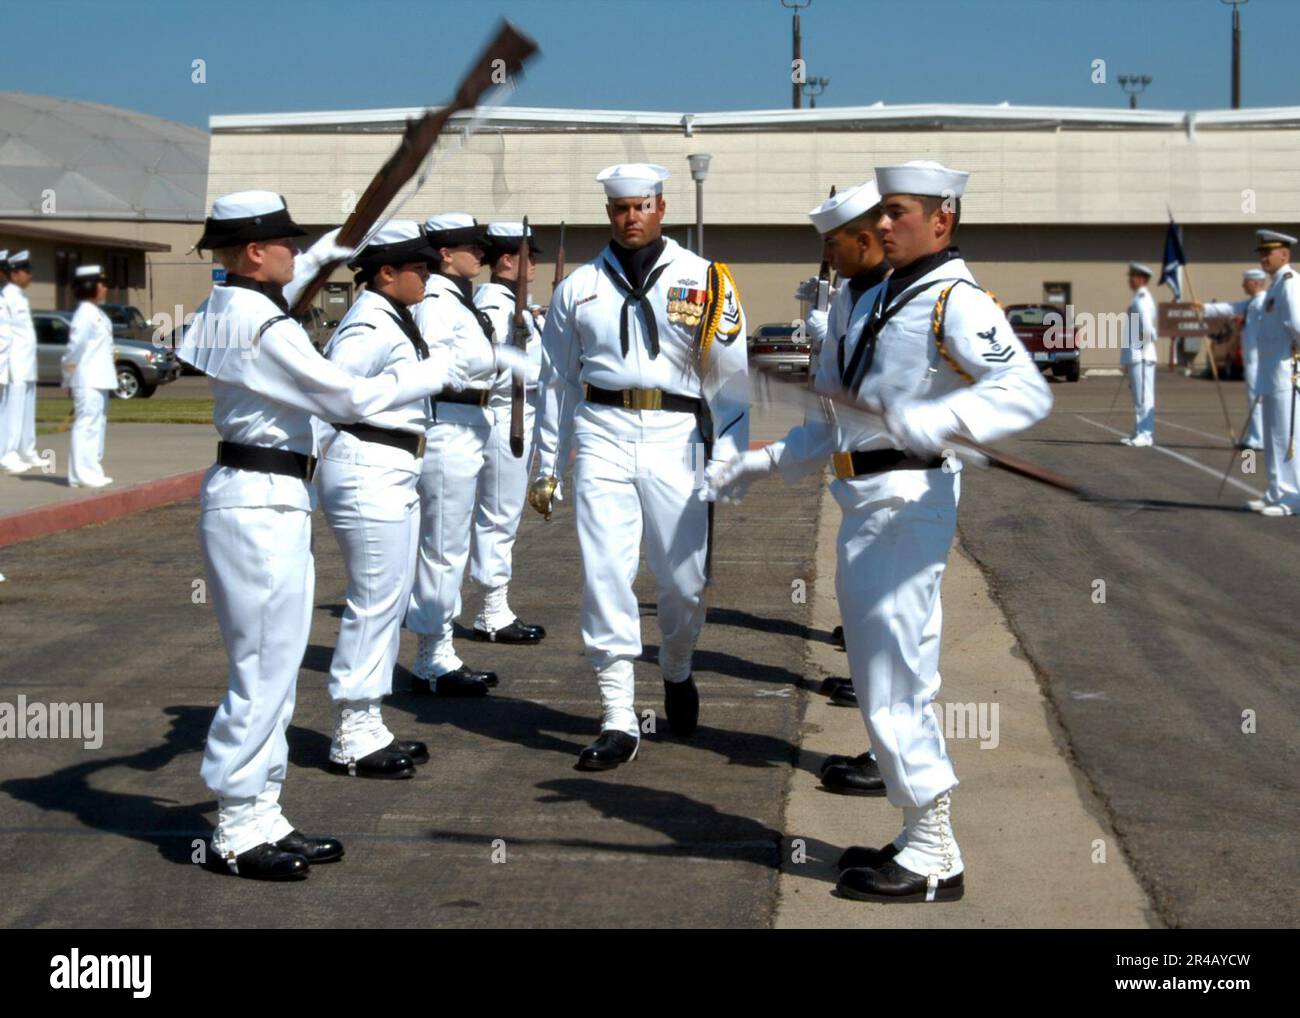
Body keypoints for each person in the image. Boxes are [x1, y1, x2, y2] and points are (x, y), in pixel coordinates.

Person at [709, 160, 1052, 902]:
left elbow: (1021, 391)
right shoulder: (868, 303)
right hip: (866, 500)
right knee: (883, 670)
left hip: (907, 499)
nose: (884, 225)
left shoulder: (954, 300)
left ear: (943, 219)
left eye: (898, 212)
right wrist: (757, 464)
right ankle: (915, 832)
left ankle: (935, 852)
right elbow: (833, 428)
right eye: (882, 215)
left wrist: (942, 419)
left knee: (891, 677)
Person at [179, 191, 499, 880]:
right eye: (287, 244)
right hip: (258, 498)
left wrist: (335, 244)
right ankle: (236, 826)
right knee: (262, 669)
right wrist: (437, 369)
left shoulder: (231, 308)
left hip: (269, 492)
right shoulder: (260, 325)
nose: (298, 254)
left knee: (276, 664)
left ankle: (264, 810)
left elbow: (284, 288)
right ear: (256, 252)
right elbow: (347, 399)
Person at [529, 162, 749, 770]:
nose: (631, 218)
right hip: (602, 431)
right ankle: (618, 716)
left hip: (677, 433)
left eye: (642, 206)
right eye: (620, 209)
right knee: (605, 574)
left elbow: (729, 380)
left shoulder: (704, 279)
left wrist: (729, 456)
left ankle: (677, 666)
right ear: (610, 214)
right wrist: (547, 464)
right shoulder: (579, 288)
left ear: (661, 207)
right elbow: (554, 384)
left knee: (683, 579)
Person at [315, 222, 444, 780]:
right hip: (369, 465)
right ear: (386, 273)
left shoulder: (391, 316)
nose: (427, 276)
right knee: (373, 600)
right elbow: (333, 394)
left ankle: (370, 720)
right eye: (419, 267)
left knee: (388, 598)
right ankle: (352, 732)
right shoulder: (367, 323)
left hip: (391, 464)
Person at [793, 179, 893, 797]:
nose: (828, 255)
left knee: (899, 636)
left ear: (865, 238)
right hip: (859, 484)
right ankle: (884, 753)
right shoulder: (856, 296)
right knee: (873, 624)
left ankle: (897, 772)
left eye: (834, 243)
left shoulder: (898, 297)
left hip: (902, 486)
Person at [405, 213, 502, 695]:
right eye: (472, 247)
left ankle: (438, 647)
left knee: (451, 544)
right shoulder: (438, 302)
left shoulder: (458, 300)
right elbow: (434, 365)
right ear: (445, 253)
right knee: (443, 548)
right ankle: (432, 656)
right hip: (448, 425)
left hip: (470, 424)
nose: (481, 253)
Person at [469, 222, 548, 643]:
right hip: (506, 414)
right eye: (528, 256)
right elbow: (495, 368)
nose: (533, 263)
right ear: (506, 260)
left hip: (520, 414)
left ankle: (493, 604)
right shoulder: (498, 307)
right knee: (499, 517)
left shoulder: (511, 303)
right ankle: (492, 611)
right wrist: (548, 373)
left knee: (503, 515)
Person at [1249, 229, 1300, 516]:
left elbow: (1298, 324)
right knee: (1272, 436)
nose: (1264, 258)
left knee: (1287, 435)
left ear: (1285, 254)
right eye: (1262, 253)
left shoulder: (1290, 284)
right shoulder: (1275, 286)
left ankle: (1293, 497)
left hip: (1285, 371)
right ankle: (1275, 490)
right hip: (1270, 372)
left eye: (1268, 253)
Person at [1200, 268, 1269, 451]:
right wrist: (1205, 308)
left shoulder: (1262, 303)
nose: (1242, 285)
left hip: (1259, 359)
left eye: (1245, 281)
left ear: (1255, 283)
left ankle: (1258, 438)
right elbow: (1230, 307)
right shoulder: (1251, 303)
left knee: (1257, 399)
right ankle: (1256, 436)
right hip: (1252, 359)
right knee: (1254, 399)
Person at [62, 264, 118, 488]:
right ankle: (80, 473)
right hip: (87, 379)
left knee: (96, 425)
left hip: (99, 378)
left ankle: (91, 468)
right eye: (101, 284)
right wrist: (70, 378)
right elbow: (74, 349)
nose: (104, 288)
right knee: (86, 425)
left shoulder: (96, 313)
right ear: (89, 287)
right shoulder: (84, 314)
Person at [0, 249, 41, 475]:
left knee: (26, 410)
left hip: (27, 362)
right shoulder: (7, 296)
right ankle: (9, 454)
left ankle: (27, 450)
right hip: (14, 364)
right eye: (26, 271)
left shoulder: (19, 297)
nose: (30, 275)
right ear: (14, 273)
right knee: (12, 412)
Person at [1120, 262, 1158, 447]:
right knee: (1138, 397)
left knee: (1144, 397)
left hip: (1141, 356)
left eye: (1132, 277)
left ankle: (1146, 434)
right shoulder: (1138, 299)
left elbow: (1148, 329)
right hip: (1136, 355)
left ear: (1141, 279)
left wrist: (1142, 350)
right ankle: (1139, 431)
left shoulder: (1142, 300)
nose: (1129, 280)